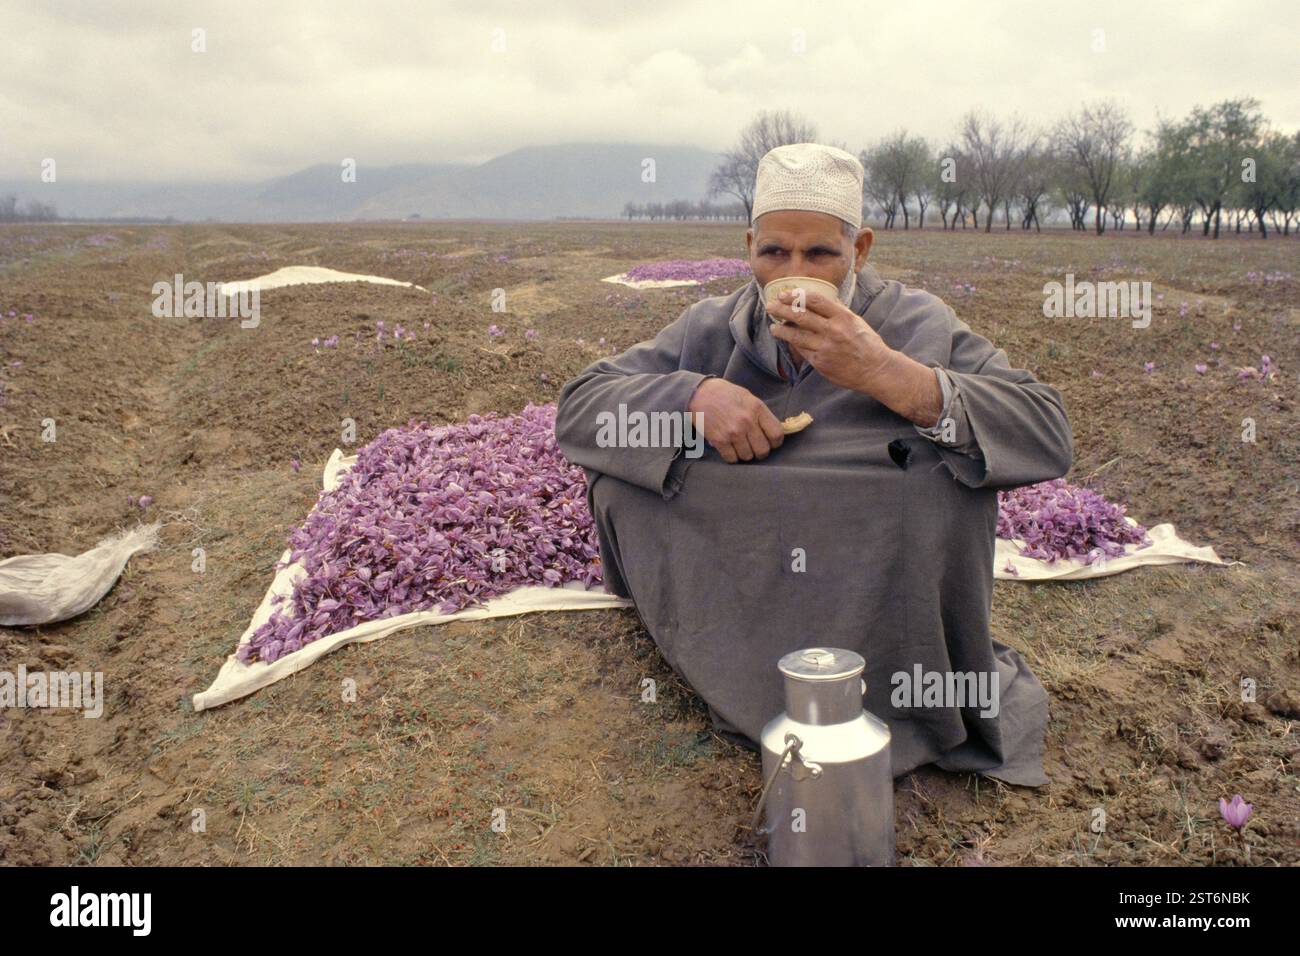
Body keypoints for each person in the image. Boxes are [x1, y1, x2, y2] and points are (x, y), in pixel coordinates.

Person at [555, 143, 1072, 785]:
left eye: (819, 254)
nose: (793, 272)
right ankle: (737, 663)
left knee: (942, 481)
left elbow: (1047, 429)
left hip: (876, 559)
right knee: (622, 474)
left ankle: (880, 693)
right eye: (774, 252)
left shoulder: (916, 321)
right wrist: (691, 397)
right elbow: (580, 408)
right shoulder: (711, 328)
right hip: (742, 539)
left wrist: (890, 374)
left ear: (859, 251)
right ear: (749, 248)